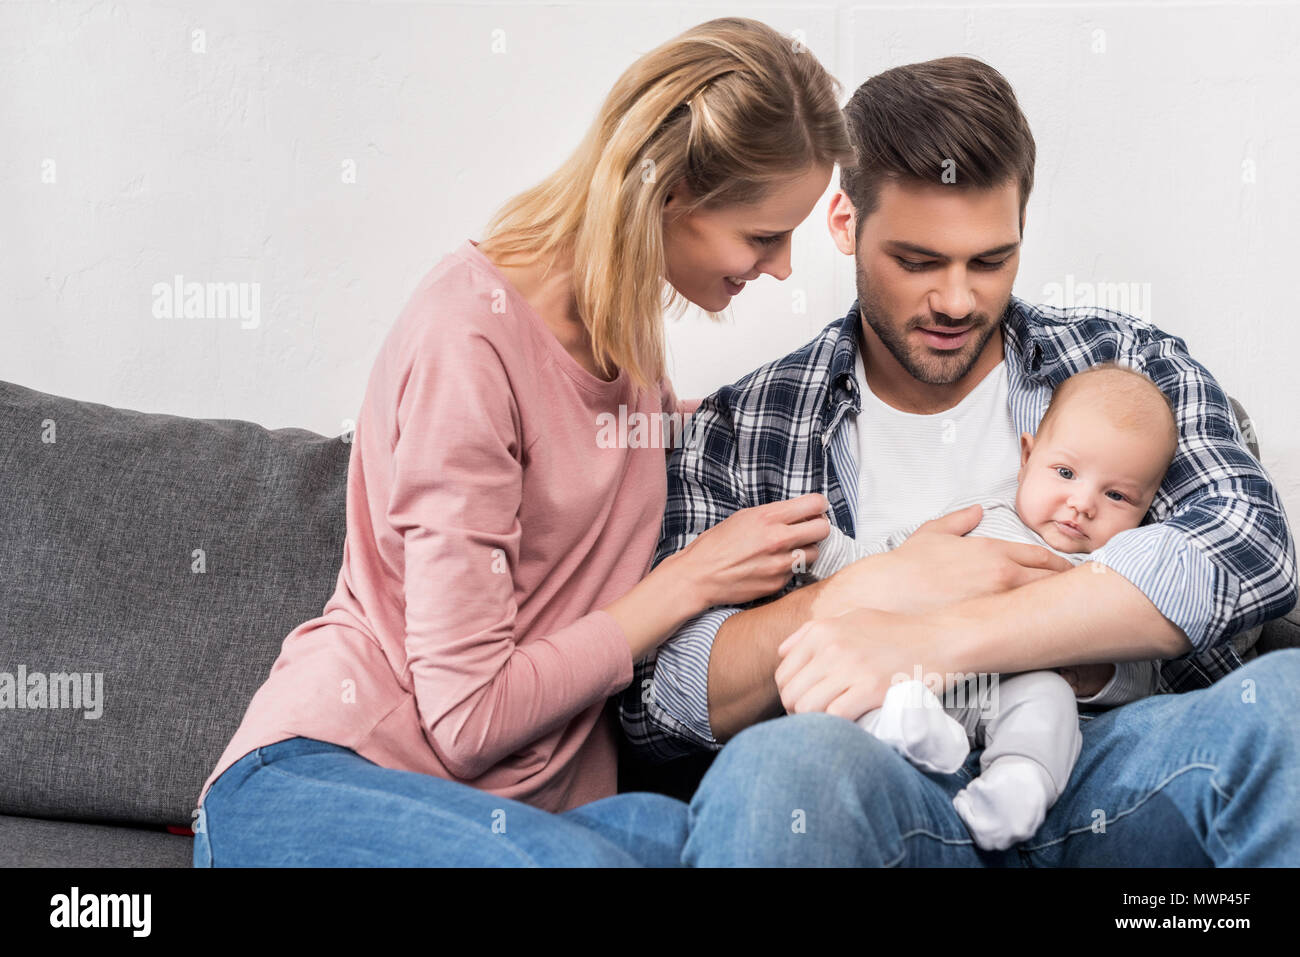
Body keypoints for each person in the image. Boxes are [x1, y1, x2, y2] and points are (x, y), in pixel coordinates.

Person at [191, 16, 856, 867]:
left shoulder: (626, 339)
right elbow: (465, 719)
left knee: (731, 838)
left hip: (519, 819)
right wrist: (687, 584)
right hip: (327, 780)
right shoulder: (467, 344)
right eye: (763, 236)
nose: (783, 267)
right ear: (669, 197)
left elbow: (648, 435)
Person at [621, 55, 1300, 866]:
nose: (956, 300)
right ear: (844, 224)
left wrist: (943, 638)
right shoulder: (749, 423)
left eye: (990, 260)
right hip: (886, 777)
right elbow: (663, 698)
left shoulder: (1125, 363)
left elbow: (1247, 546)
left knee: (1287, 704)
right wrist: (858, 598)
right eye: (917, 261)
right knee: (780, 768)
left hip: (1113, 769)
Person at [802, 361, 1182, 850]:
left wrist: (1098, 673)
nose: (1081, 503)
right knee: (865, 687)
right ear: (1027, 457)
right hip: (930, 680)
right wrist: (826, 547)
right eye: (1065, 472)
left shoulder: (1112, 571)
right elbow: (887, 563)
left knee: (1050, 699)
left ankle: (1016, 788)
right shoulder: (977, 519)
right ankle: (911, 732)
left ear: (1145, 508)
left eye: (1116, 495)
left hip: (1018, 693)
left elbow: (1143, 673)